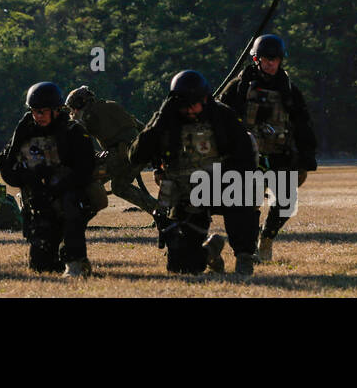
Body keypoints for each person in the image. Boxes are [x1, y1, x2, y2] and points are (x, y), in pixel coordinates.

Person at [130, 71, 260, 276]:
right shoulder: (166, 120)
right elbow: (135, 156)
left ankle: (244, 257)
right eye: (184, 105)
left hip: (223, 187)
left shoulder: (222, 116)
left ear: (205, 99)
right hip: (186, 196)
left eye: (194, 104)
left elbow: (244, 157)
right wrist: (158, 123)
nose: (189, 110)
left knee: (242, 205)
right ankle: (210, 251)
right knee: (182, 268)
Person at [217, 34, 318, 262]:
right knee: (247, 206)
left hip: (279, 155)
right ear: (257, 59)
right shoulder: (238, 87)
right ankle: (249, 250)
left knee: (285, 204)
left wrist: (306, 156)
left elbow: (303, 123)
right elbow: (221, 117)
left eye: (276, 59)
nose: (271, 63)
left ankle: (268, 237)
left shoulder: (290, 90)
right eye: (267, 58)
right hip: (246, 157)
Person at [0, 82, 96, 277]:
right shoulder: (26, 131)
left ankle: (75, 262)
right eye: (34, 111)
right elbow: (7, 169)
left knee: (71, 209)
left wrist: (58, 189)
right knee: (42, 267)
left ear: (56, 110)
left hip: (68, 193)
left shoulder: (73, 131)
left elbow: (85, 170)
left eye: (42, 111)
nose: (38, 116)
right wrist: (28, 178)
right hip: (40, 200)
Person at [65, 86, 158, 215]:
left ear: (80, 103)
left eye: (73, 107)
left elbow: (78, 135)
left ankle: (76, 216)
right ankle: (160, 212)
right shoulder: (111, 105)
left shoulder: (88, 115)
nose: (73, 111)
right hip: (138, 151)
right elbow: (139, 125)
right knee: (120, 187)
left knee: (87, 178)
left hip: (120, 154)